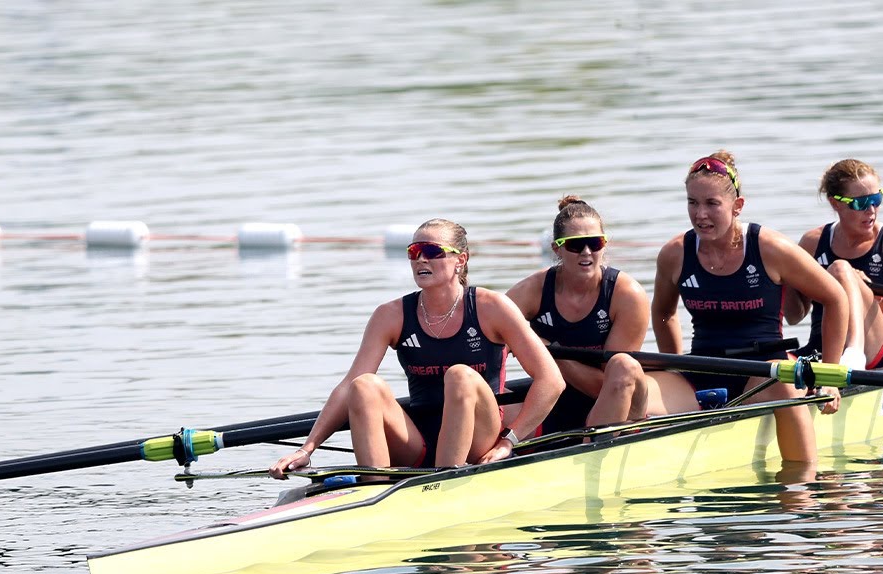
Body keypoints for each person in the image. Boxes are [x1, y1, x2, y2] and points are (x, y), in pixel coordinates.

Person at [269, 218, 564, 477]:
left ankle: (446, 479)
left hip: (479, 437)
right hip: (418, 439)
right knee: (364, 385)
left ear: (460, 260)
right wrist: (307, 448)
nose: (421, 260)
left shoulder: (492, 307)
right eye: (414, 252)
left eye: (433, 252)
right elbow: (347, 386)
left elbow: (551, 380)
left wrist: (509, 441)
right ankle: (373, 488)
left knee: (460, 375)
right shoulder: (390, 315)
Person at [645, 151, 851, 464]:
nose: (700, 214)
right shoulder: (674, 254)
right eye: (692, 202)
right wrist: (671, 364)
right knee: (634, 385)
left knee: (784, 386)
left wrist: (830, 377)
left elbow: (836, 297)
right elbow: (663, 313)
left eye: (712, 203)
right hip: (703, 370)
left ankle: (802, 482)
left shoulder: (769, 247)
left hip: (765, 372)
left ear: (737, 206)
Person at [506, 196, 651, 430]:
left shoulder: (627, 295)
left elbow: (605, 387)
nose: (586, 252)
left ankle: (597, 441)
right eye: (575, 245)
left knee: (624, 365)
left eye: (595, 243)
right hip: (553, 401)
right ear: (557, 248)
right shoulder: (530, 291)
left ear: (604, 244)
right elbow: (486, 337)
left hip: (613, 404)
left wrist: (544, 349)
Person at [785, 159, 883, 368]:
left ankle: (853, 352)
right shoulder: (812, 243)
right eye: (860, 203)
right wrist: (782, 273)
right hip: (821, 352)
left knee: (840, 269)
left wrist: (874, 295)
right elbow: (793, 316)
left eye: (876, 199)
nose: (871, 209)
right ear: (835, 203)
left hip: (877, 358)